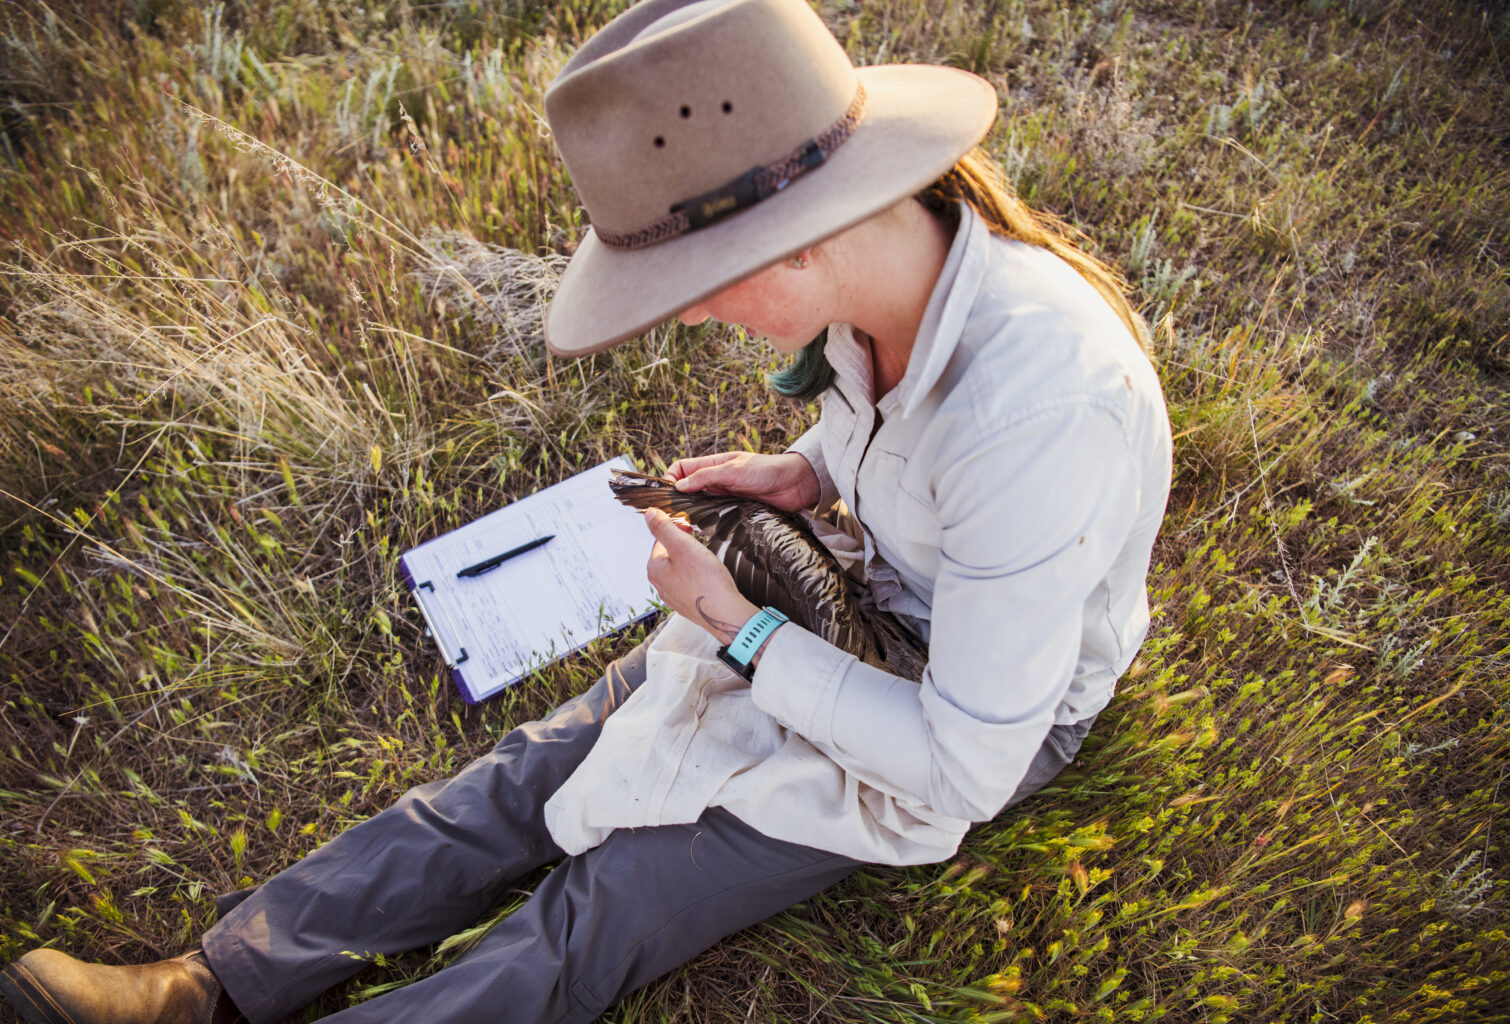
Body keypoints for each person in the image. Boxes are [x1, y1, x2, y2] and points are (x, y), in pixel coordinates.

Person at [0, 0, 1172, 1020]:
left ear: (805, 241)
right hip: (839, 587)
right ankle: (209, 985)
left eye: (699, 290)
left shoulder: (1044, 412)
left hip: (959, 717)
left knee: (612, 900)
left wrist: (741, 631)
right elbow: (898, 447)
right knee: (534, 768)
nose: (700, 321)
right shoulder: (879, 286)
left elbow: (962, 765)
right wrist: (804, 472)